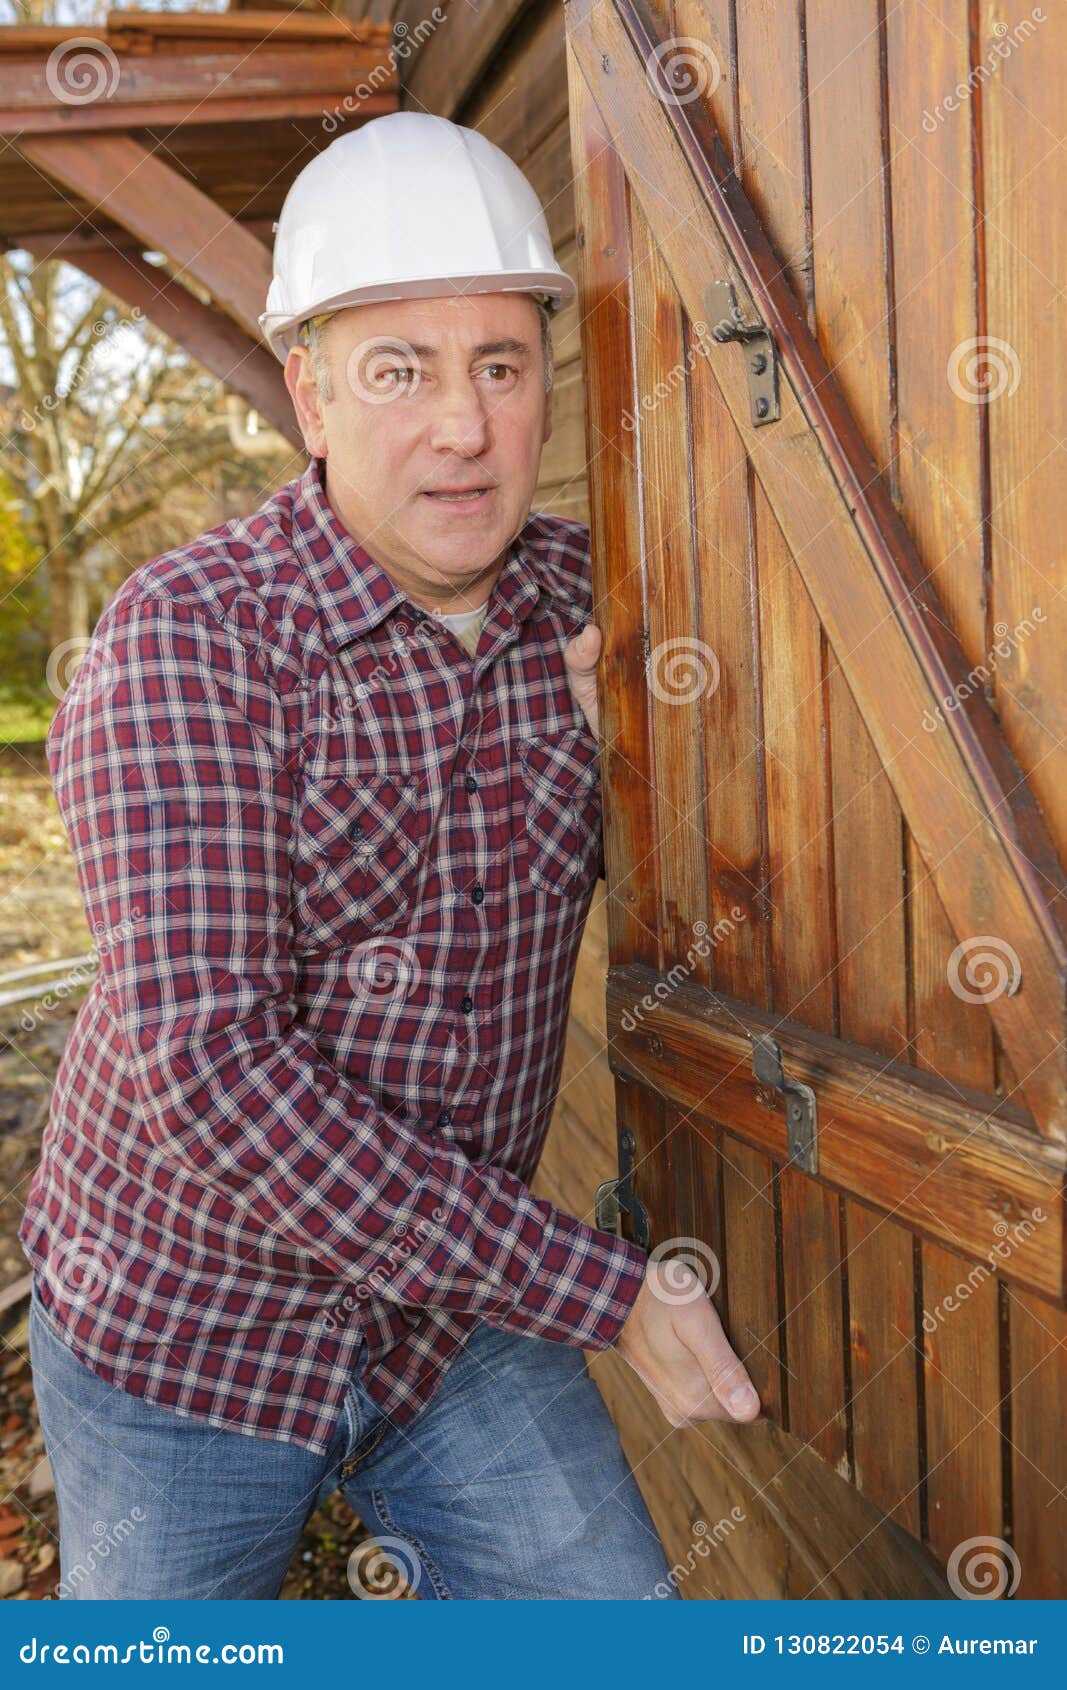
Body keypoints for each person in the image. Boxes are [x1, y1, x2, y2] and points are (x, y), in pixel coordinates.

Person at [21, 111, 759, 1602]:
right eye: (399, 370)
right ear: (307, 389)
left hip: (445, 1326)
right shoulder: (188, 643)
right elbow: (217, 1071)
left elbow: (736, 840)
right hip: (185, 1331)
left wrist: (650, 738)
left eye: (499, 363)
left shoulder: (587, 610)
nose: (465, 426)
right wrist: (605, 1295)